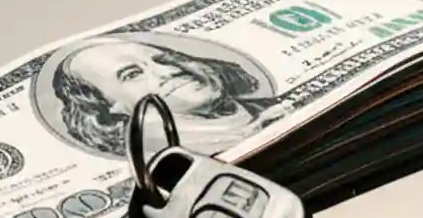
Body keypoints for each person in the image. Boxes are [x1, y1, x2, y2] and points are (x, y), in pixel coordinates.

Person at [51, 38, 290, 157]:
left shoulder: (283, 108)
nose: (169, 71)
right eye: (132, 74)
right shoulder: (159, 161)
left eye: (164, 59)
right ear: (107, 107)